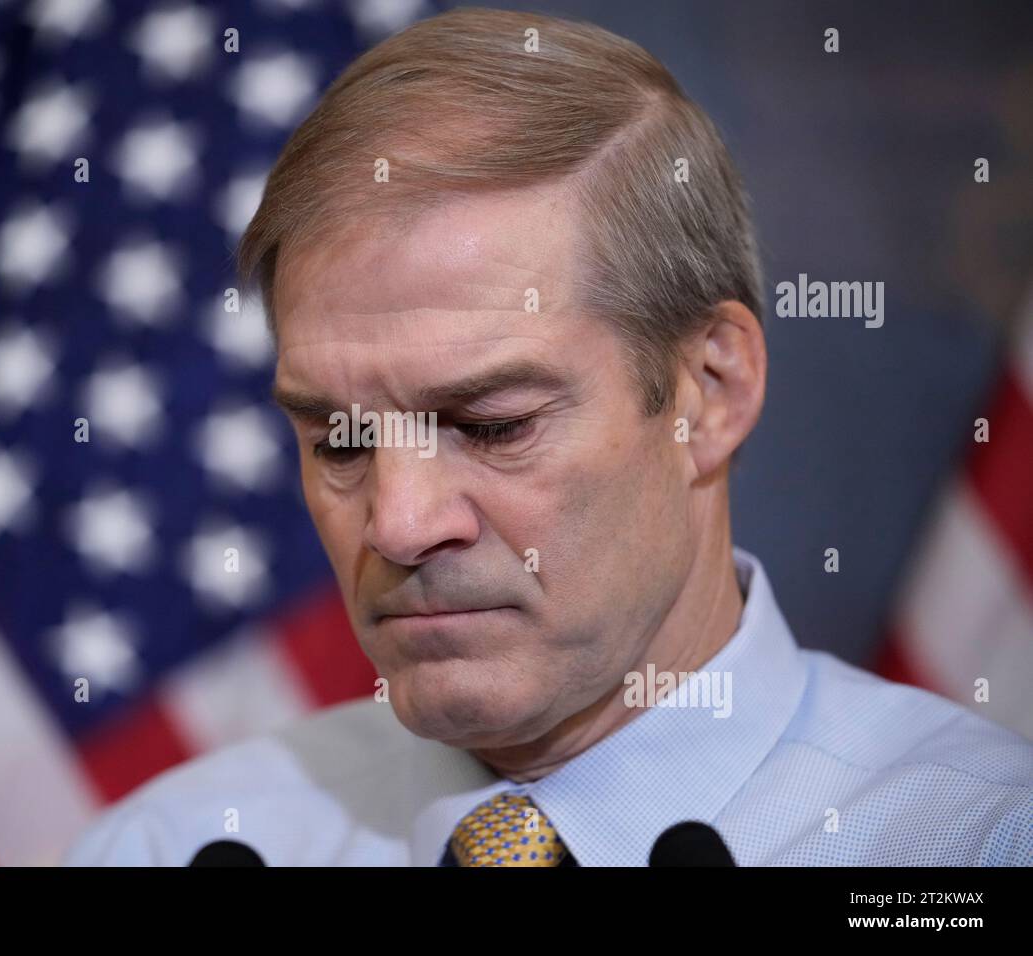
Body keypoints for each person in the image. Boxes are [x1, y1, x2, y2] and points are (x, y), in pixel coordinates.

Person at [65, 7, 1032, 866]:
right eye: (344, 441)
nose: (398, 526)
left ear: (712, 389)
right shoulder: (171, 847)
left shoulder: (977, 841)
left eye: (495, 425)